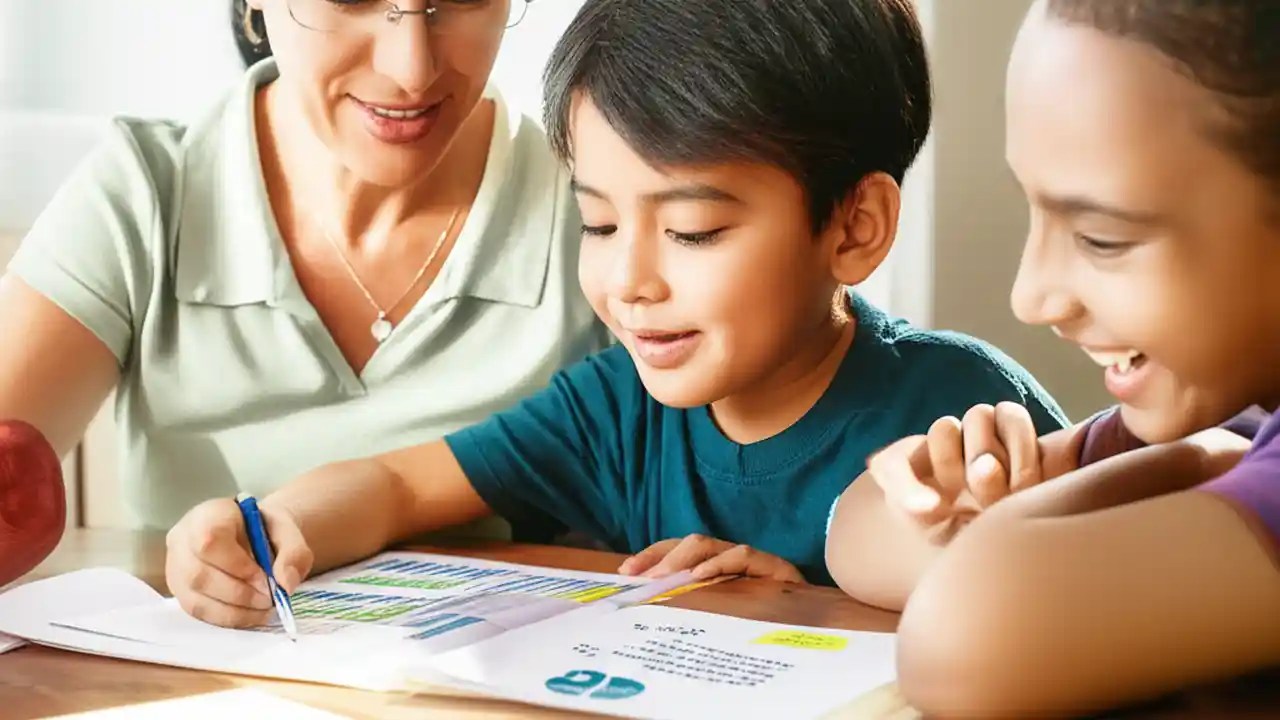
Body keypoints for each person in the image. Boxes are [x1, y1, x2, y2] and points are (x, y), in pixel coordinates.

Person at [162, 0, 1067, 630]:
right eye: (597, 221)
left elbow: (1106, 597)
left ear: (853, 227)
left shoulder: (966, 411)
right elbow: (400, 487)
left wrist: (823, 605)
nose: (629, 280)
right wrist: (276, 526)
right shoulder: (616, 409)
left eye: (693, 230)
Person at [0, 0, 608, 557]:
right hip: (185, 668)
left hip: (490, 670)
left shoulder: (605, 215)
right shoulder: (147, 195)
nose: (412, 69)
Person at [826, 0, 1280, 715]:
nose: (1030, 297)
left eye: (1101, 238)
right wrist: (959, 501)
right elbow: (854, 537)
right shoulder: (1235, 415)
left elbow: (963, 643)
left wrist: (1194, 462)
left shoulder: (1225, 440)